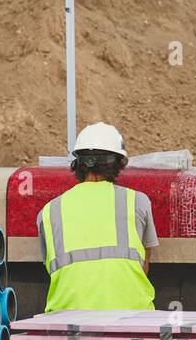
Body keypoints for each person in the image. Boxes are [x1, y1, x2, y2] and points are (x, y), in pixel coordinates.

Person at [36, 122, 157, 311]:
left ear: (77, 164)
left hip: (65, 319)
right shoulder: (137, 202)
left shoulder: (49, 211)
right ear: (118, 164)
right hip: (131, 316)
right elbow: (144, 266)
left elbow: (53, 270)